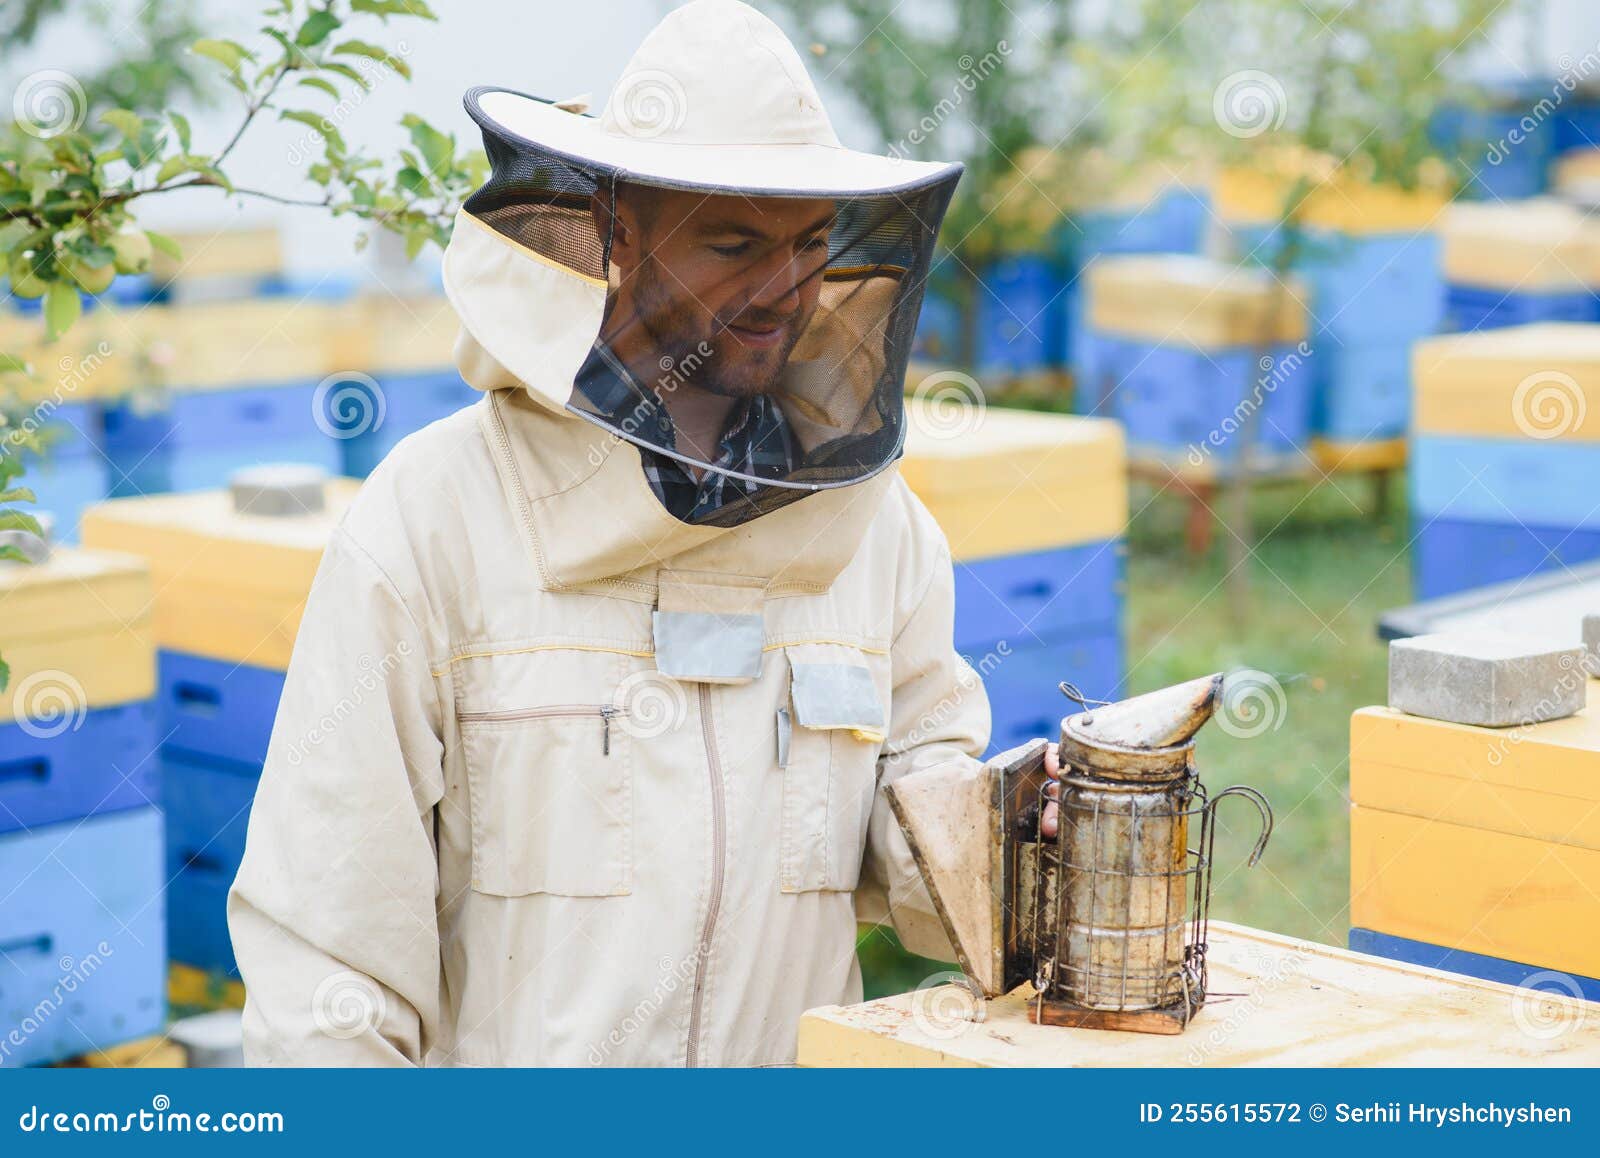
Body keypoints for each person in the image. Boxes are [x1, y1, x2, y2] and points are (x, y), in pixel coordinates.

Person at [228, 0, 1058, 1068]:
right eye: (732, 242)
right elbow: (327, 953)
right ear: (617, 232)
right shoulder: (432, 519)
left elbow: (920, 843)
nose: (783, 291)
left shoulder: (880, 533)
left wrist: (1012, 833)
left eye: (809, 246)